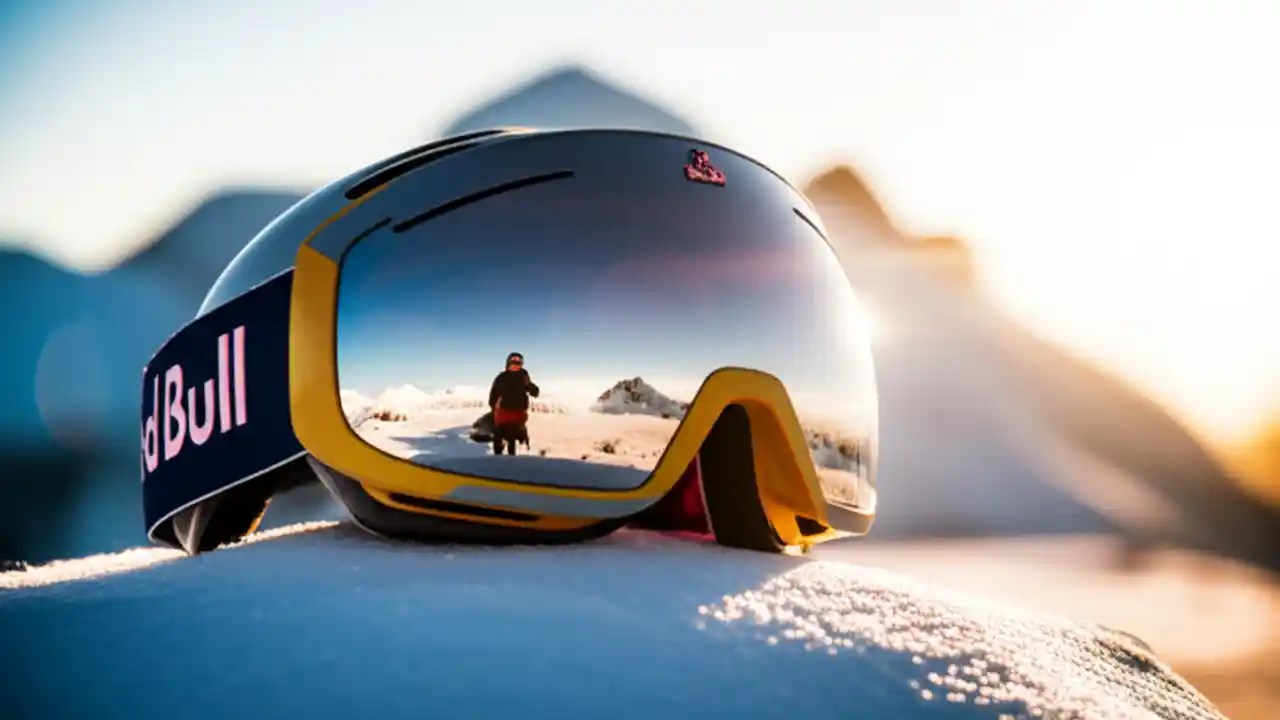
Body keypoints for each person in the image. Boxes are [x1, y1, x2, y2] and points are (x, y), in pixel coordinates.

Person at [488, 352, 540, 456]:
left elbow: (533, 391)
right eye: (514, 364)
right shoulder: (502, 378)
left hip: (519, 411)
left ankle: (514, 457)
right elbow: (494, 394)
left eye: (518, 364)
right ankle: (497, 457)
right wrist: (494, 408)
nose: (516, 366)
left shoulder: (523, 376)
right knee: (499, 435)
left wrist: (530, 387)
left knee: (515, 435)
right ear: (508, 364)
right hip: (504, 411)